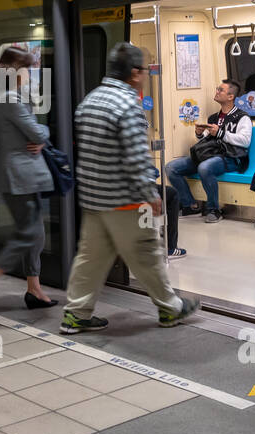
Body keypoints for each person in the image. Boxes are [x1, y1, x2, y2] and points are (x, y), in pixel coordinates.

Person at [60, 43, 198, 335]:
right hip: (125, 201)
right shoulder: (127, 106)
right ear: (135, 73)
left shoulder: (90, 101)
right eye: (145, 70)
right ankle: (170, 308)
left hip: (94, 199)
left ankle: (76, 313)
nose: (146, 75)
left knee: (90, 258)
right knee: (146, 253)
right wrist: (150, 194)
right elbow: (136, 158)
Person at [0, 47, 58, 310]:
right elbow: (38, 133)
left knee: (36, 233)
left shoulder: (6, 96)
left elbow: (31, 135)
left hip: (24, 174)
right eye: (27, 69)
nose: (29, 74)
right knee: (28, 232)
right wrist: (42, 133)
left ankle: (34, 289)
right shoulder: (10, 98)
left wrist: (37, 138)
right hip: (18, 175)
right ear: (16, 71)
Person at [164, 79, 252, 223]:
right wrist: (199, 133)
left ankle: (213, 209)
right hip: (209, 155)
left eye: (220, 90)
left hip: (230, 157)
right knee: (171, 167)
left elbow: (245, 141)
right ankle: (190, 205)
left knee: (204, 168)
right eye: (217, 89)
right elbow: (206, 140)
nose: (216, 92)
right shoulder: (213, 117)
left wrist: (221, 133)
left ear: (231, 97)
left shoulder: (242, 117)